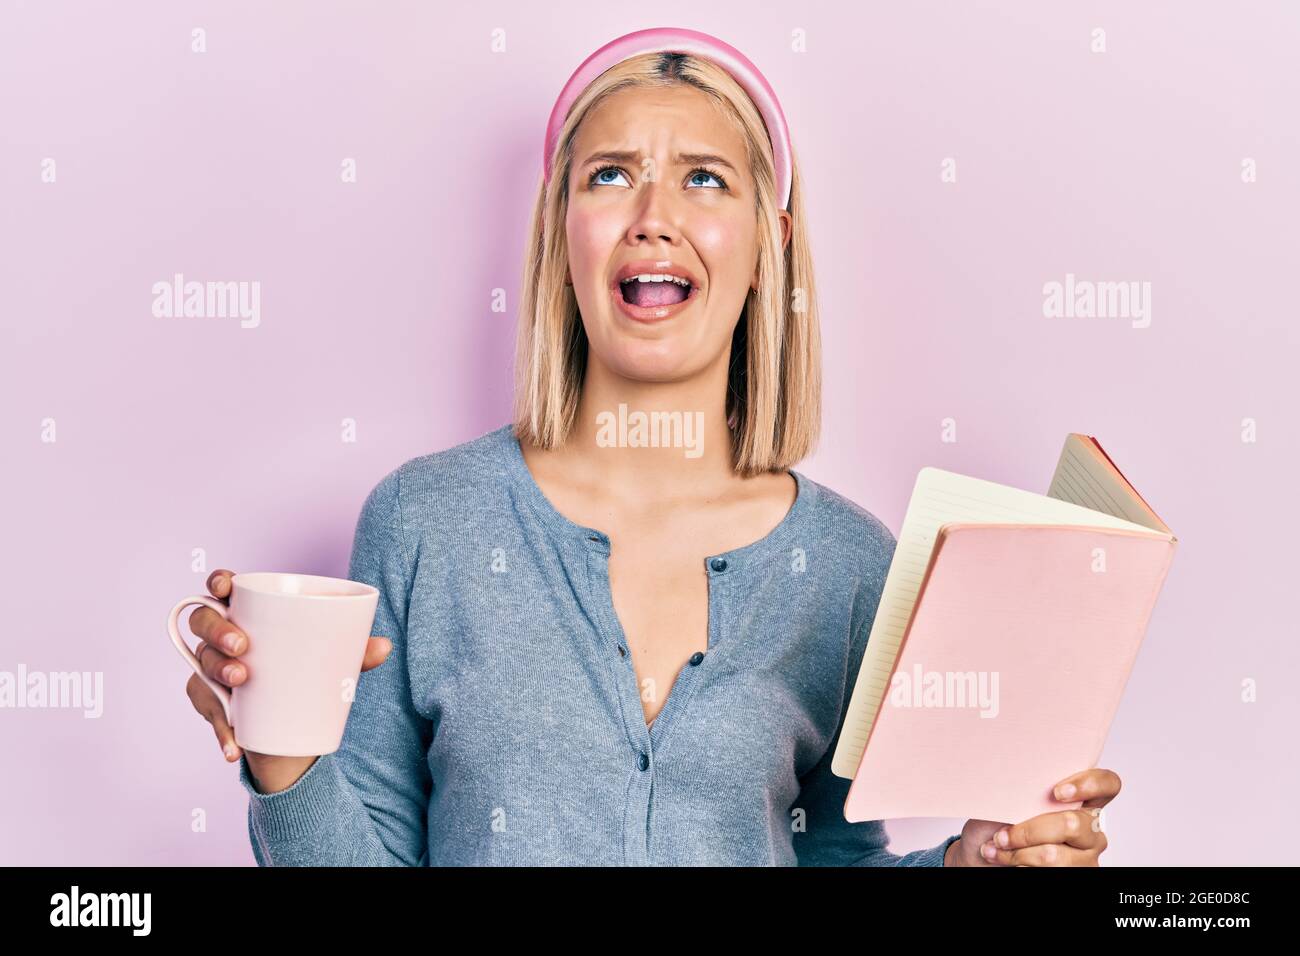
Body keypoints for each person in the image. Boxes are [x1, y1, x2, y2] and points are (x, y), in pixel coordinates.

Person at [181, 28, 1117, 866]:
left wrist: (972, 866)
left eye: (705, 178)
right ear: (562, 233)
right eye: (611, 175)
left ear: (768, 246)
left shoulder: (846, 566)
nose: (653, 215)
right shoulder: (426, 519)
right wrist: (282, 755)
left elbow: (835, 859)